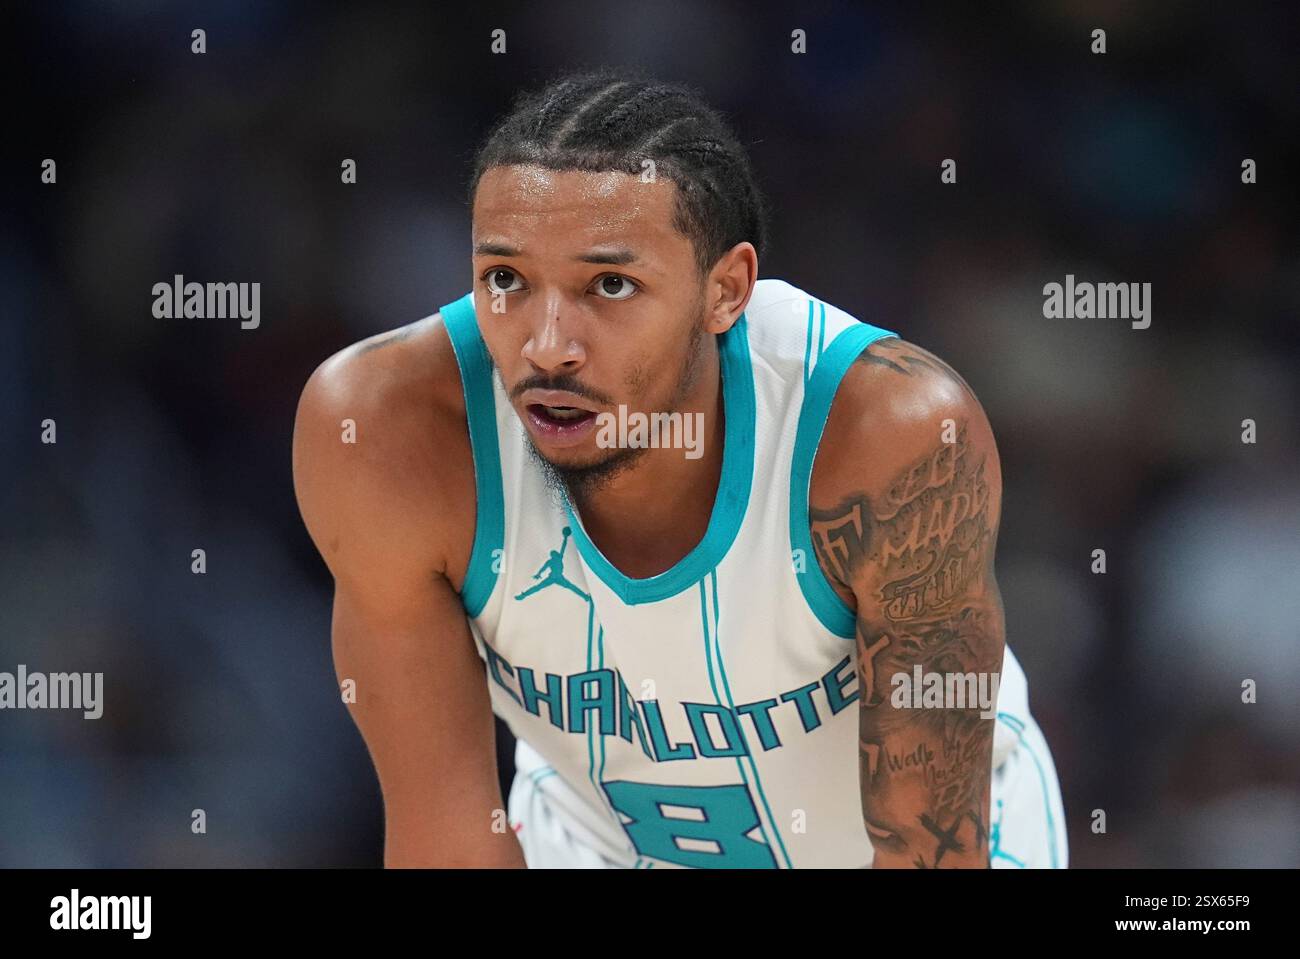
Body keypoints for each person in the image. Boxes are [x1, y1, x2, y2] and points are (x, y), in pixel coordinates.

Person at [292, 70, 1067, 868]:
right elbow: (445, 841)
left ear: (726, 290)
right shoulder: (385, 431)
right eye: (506, 280)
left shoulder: (889, 437)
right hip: (595, 847)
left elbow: (929, 853)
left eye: (611, 284)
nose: (547, 344)